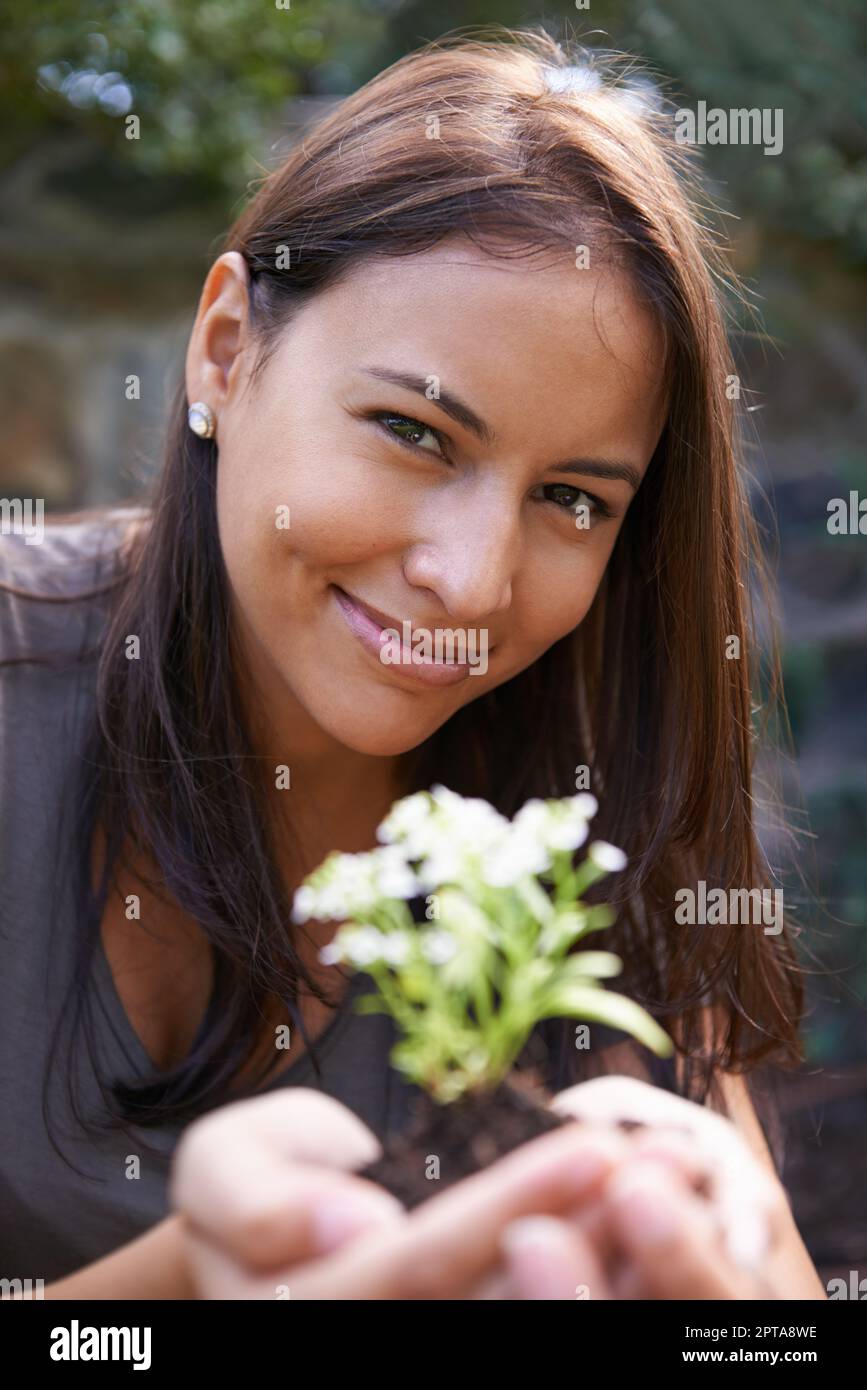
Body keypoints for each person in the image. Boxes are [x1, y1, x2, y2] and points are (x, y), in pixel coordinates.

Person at [0, 30, 825, 1299]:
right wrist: (185, 1282)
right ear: (226, 349)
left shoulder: (600, 812)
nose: (473, 578)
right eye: (415, 430)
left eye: (572, 498)